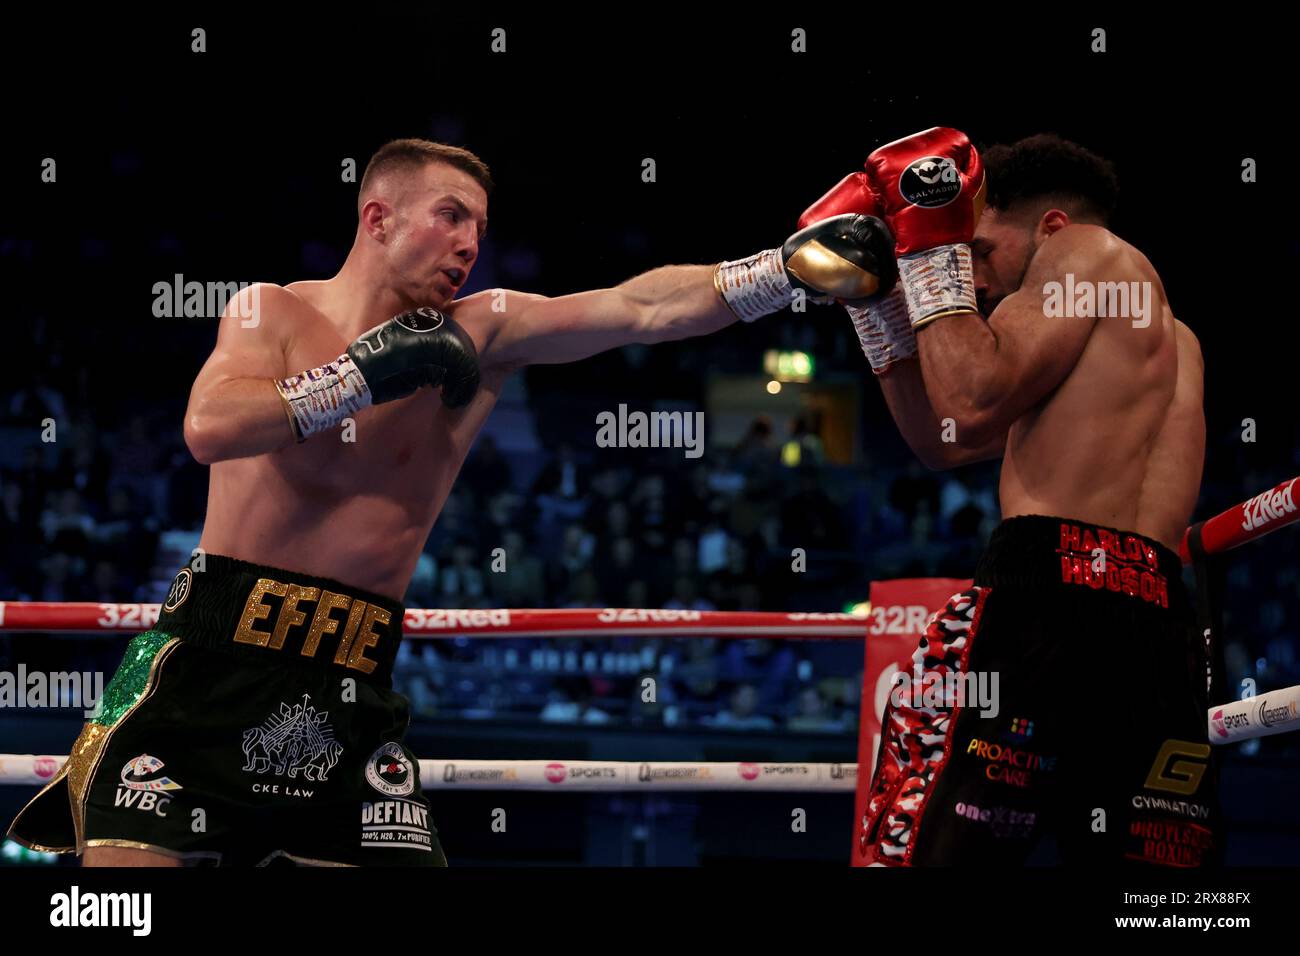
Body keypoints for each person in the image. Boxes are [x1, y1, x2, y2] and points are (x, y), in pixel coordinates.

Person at [8, 137, 890, 867]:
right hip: (206, 659)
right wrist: (359, 377)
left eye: (480, 226)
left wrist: (783, 270)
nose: (471, 243)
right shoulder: (268, 312)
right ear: (378, 217)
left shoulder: (484, 328)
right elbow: (210, 426)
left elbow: (640, 307)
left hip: (350, 677)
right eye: (450, 216)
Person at [802, 128, 1221, 866]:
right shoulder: (1167, 339)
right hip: (1157, 624)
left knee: (931, 852)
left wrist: (929, 248)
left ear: (1052, 226)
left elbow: (970, 392)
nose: (979, 283)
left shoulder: (1085, 251)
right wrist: (875, 307)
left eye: (981, 253)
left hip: (1046, 602)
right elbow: (946, 439)